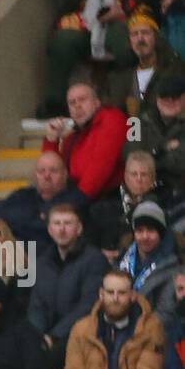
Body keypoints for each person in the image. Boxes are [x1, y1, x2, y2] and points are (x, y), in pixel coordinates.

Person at [41, 0, 172, 118]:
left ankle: (125, 106)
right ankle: (57, 106)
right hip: (89, 13)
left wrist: (125, 7)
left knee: (125, 47)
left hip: (129, 12)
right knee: (63, 41)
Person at [28, 203, 108, 369]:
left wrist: (54, 336)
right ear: (49, 229)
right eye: (57, 224)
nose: (62, 229)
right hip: (47, 336)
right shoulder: (42, 262)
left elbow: (88, 305)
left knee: (40, 363)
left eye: (67, 223)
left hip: (80, 336)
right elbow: (36, 305)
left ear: (79, 229)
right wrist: (37, 337)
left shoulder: (94, 259)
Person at [42, 81, 129, 200]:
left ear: (96, 103)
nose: (77, 105)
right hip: (78, 196)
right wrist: (51, 140)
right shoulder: (73, 137)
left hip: (105, 200)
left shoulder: (111, 119)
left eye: (82, 99)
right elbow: (51, 174)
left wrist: (71, 203)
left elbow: (99, 171)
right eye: (72, 103)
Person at [0, 151, 88, 249]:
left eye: (53, 171)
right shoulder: (23, 194)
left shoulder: (75, 198)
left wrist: (23, 222)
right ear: (35, 175)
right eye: (41, 171)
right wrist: (37, 218)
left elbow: (48, 230)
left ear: (65, 174)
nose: (47, 176)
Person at [106, 7, 184, 121]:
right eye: (134, 34)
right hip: (135, 135)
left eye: (145, 33)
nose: (140, 38)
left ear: (156, 37)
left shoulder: (176, 70)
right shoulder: (121, 78)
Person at [116, 199, 182, 320]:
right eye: (140, 230)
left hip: (150, 333)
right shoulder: (122, 260)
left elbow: (166, 313)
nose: (145, 236)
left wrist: (136, 332)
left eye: (151, 230)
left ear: (160, 233)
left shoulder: (174, 267)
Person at [88, 149, 163, 254]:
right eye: (134, 174)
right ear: (125, 176)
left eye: (144, 174)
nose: (139, 179)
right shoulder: (103, 205)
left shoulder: (162, 205)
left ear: (152, 178)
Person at [134, 74, 185, 203]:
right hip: (141, 187)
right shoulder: (137, 120)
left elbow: (179, 163)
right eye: (164, 97)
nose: (169, 101)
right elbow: (129, 153)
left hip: (178, 191)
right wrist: (163, 147)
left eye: (175, 97)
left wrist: (148, 158)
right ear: (156, 98)